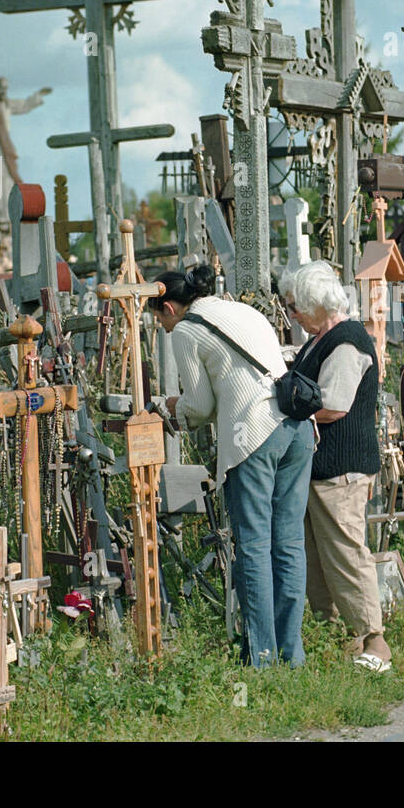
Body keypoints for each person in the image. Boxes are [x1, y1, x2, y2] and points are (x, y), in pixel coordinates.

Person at [148, 266, 315, 667]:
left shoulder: (187, 330)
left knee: (254, 546)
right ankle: (291, 655)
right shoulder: (239, 310)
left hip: (255, 434)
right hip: (297, 427)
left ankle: (261, 657)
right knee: (289, 543)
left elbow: (201, 406)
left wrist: (171, 406)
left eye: (161, 322)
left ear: (169, 307)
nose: (166, 330)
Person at [278, 261, 391, 673]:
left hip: (342, 469)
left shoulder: (346, 343)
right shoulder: (319, 339)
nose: (292, 314)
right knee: (316, 557)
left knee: (345, 552)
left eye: (295, 307)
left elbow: (332, 405)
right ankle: (337, 638)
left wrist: (287, 408)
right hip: (320, 470)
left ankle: (375, 642)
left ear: (316, 305)